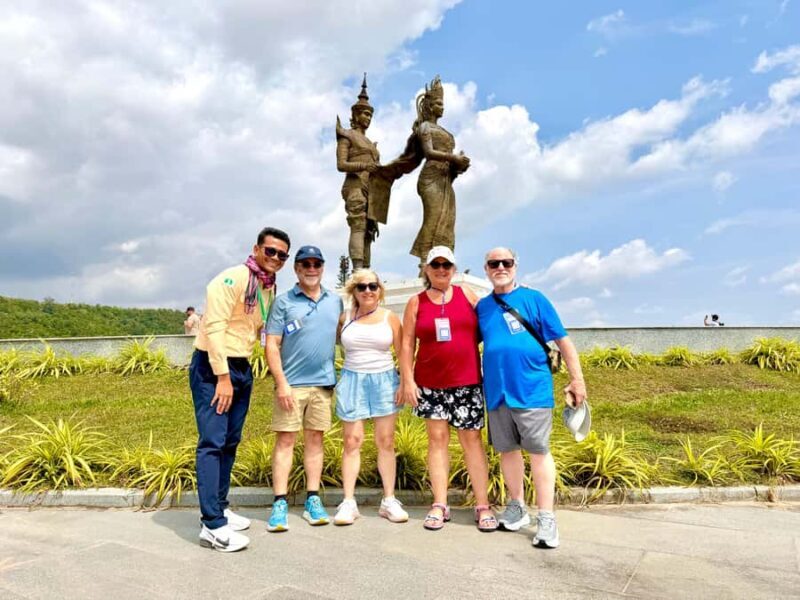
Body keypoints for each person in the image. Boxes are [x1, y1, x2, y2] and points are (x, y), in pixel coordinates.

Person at [476, 247, 587, 549]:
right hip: (497, 392)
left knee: (538, 452)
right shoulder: (484, 307)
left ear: (515, 266)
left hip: (531, 390)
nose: (500, 267)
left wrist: (577, 379)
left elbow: (563, 341)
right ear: (485, 269)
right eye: (493, 263)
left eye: (506, 262)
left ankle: (547, 517)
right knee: (507, 451)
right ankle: (517, 507)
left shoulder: (535, 299)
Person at [191, 226, 291, 552]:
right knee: (212, 442)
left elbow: (258, 327)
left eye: (282, 255)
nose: (276, 258)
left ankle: (219, 506)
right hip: (214, 366)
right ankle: (212, 525)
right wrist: (222, 377)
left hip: (241, 367)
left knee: (230, 440)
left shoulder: (266, 287)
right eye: (271, 251)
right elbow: (215, 327)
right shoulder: (232, 279)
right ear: (257, 248)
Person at [399, 246, 497, 532]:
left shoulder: (467, 295)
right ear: (427, 269)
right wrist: (408, 380)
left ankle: (482, 505)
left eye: (447, 265)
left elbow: (489, 326)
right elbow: (407, 344)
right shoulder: (416, 302)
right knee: (437, 440)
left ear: (454, 269)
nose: (441, 269)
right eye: (436, 265)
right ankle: (440, 504)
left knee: (472, 441)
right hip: (430, 383)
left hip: (466, 382)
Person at [265, 245, 343, 532]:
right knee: (285, 441)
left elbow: (341, 334)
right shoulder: (284, 302)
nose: (311, 269)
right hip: (291, 386)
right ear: (297, 269)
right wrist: (282, 383)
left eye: (316, 264)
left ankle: (312, 499)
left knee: (315, 441)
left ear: (322, 268)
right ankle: (280, 503)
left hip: (322, 386)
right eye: (305, 264)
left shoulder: (335, 302)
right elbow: (271, 344)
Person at [369, 75, 470, 275]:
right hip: (430, 178)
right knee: (432, 218)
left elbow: (449, 163)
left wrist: (458, 166)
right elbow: (429, 152)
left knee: (447, 220)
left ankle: (443, 261)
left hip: (445, 181)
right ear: (429, 105)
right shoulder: (425, 128)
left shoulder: (446, 131)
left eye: (443, 104)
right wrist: (453, 158)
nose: (442, 107)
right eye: (438, 103)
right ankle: (425, 263)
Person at [332, 269, 407, 525]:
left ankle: (389, 500)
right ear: (354, 291)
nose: (367, 291)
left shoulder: (390, 318)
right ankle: (349, 502)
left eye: (372, 286)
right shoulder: (345, 317)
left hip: (385, 379)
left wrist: (405, 382)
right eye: (361, 287)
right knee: (352, 440)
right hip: (353, 379)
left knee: (386, 440)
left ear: (379, 290)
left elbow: (404, 352)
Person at [336, 75, 381, 270]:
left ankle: (366, 271)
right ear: (355, 114)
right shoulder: (346, 136)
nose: (367, 118)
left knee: (369, 232)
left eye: (370, 115)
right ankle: (357, 270)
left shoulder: (372, 144)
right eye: (364, 114)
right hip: (354, 186)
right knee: (358, 226)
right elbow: (341, 164)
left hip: (371, 189)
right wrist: (363, 167)